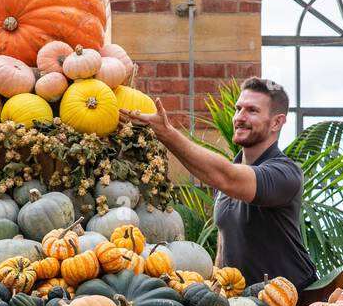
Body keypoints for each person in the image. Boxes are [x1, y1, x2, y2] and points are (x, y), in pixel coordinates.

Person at [120, 77, 317, 294]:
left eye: (252, 111)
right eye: (238, 108)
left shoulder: (285, 174)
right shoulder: (225, 177)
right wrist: (215, 289)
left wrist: (166, 133)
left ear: (277, 122)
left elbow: (228, 178)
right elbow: (224, 244)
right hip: (248, 305)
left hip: (295, 301)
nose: (239, 117)